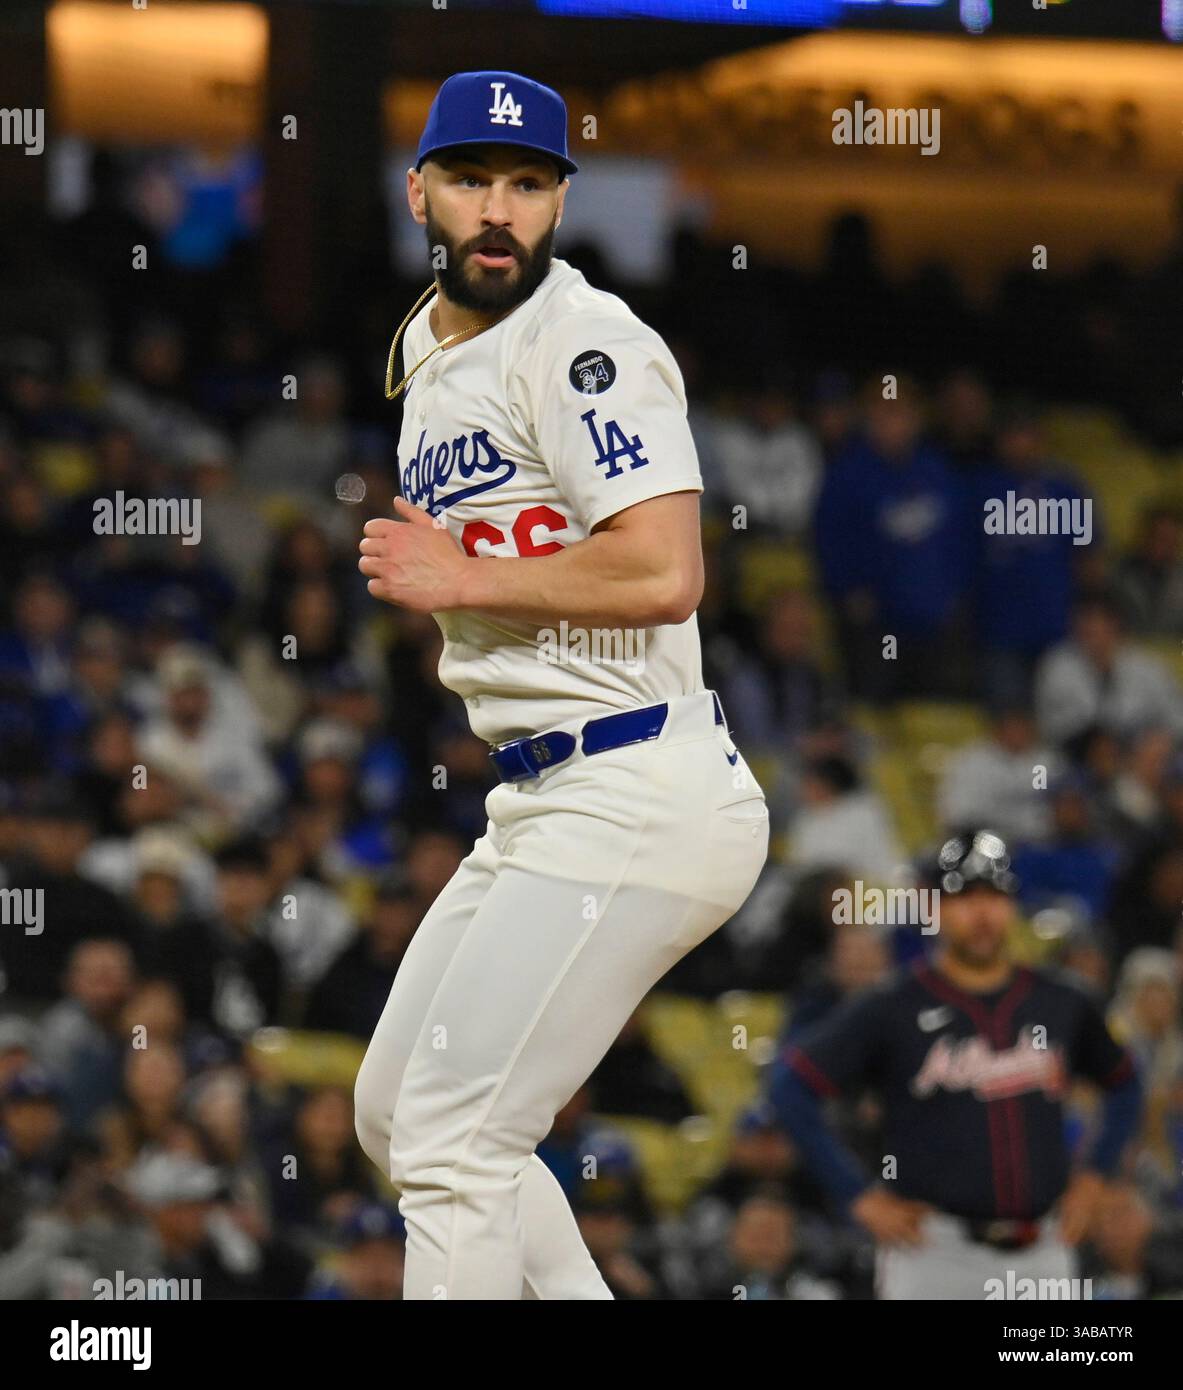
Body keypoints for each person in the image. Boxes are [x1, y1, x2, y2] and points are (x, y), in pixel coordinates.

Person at [351, 70, 769, 1300]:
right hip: (549, 793)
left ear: (559, 203)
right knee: (392, 1116)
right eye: (473, 179)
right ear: (419, 189)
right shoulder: (427, 350)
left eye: (527, 185)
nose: (498, 210)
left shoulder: (582, 342)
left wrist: (460, 573)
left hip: (634, 781)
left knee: (452, 1145)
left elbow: (663, 568)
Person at [767, 830, 1143, 1299]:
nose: (981, 914)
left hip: (1043, 1247)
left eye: (994, 896)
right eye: (963, 898)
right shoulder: (892, 1005)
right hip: (932, 1250)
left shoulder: (1062, 1001)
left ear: (1013, 906)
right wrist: (857, 1194)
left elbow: (1125, 1083)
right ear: (935, 909)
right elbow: (789, 1085)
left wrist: (1095, 1176)